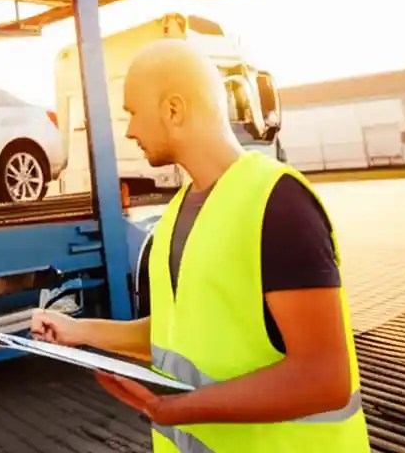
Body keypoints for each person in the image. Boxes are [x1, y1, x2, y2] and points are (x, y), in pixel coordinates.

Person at [31, 38, 370, 452]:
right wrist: (79, 331)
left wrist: (177, 409)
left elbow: (324, 377)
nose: (130, 130)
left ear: (173, 109)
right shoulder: (177, 211)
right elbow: (177, 334)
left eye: (133, 112)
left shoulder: (279, 203)